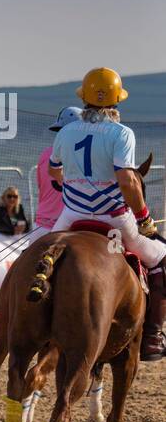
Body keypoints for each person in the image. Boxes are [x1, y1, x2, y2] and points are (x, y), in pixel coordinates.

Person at [48, 67, 166, 360]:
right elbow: (127, 180)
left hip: (71, 217)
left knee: (40, 254)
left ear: (84, 99)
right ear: (116, 101)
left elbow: (54, 169)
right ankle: (154, 334)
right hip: (113, 218)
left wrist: (71, 184)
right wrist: (143, 217)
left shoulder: (67, 131)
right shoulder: (122, 133)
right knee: (159, 258)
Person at [34, 106, 83, 235]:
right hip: (73, 226)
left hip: (42, 227)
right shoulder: (86, 155)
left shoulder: (45, 154)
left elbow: (41, 187)